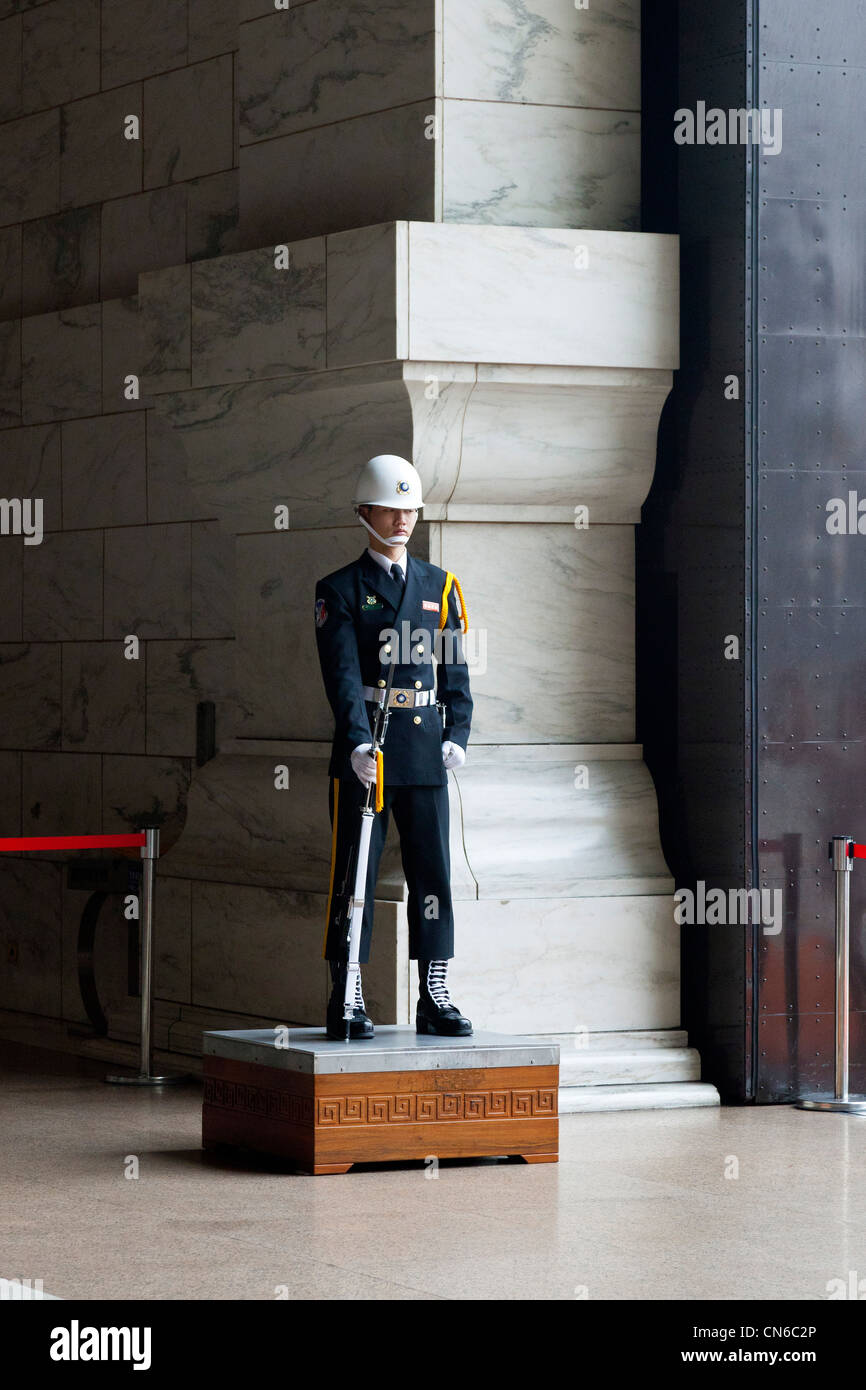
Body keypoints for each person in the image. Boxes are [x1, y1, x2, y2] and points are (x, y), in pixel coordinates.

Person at [314, 454, 473, 1039]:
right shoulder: (340, 590)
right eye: (391, 507)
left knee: (433, 874)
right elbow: (344, 678)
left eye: (410, 509)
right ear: (365, 513)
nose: (403, 518)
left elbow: (455, 670)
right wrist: (357, 743)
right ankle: (348, 990)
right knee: (354, 875)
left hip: (424, 748)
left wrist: (457, 734)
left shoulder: (441, 586)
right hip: (369, 753)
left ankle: (435, 990)